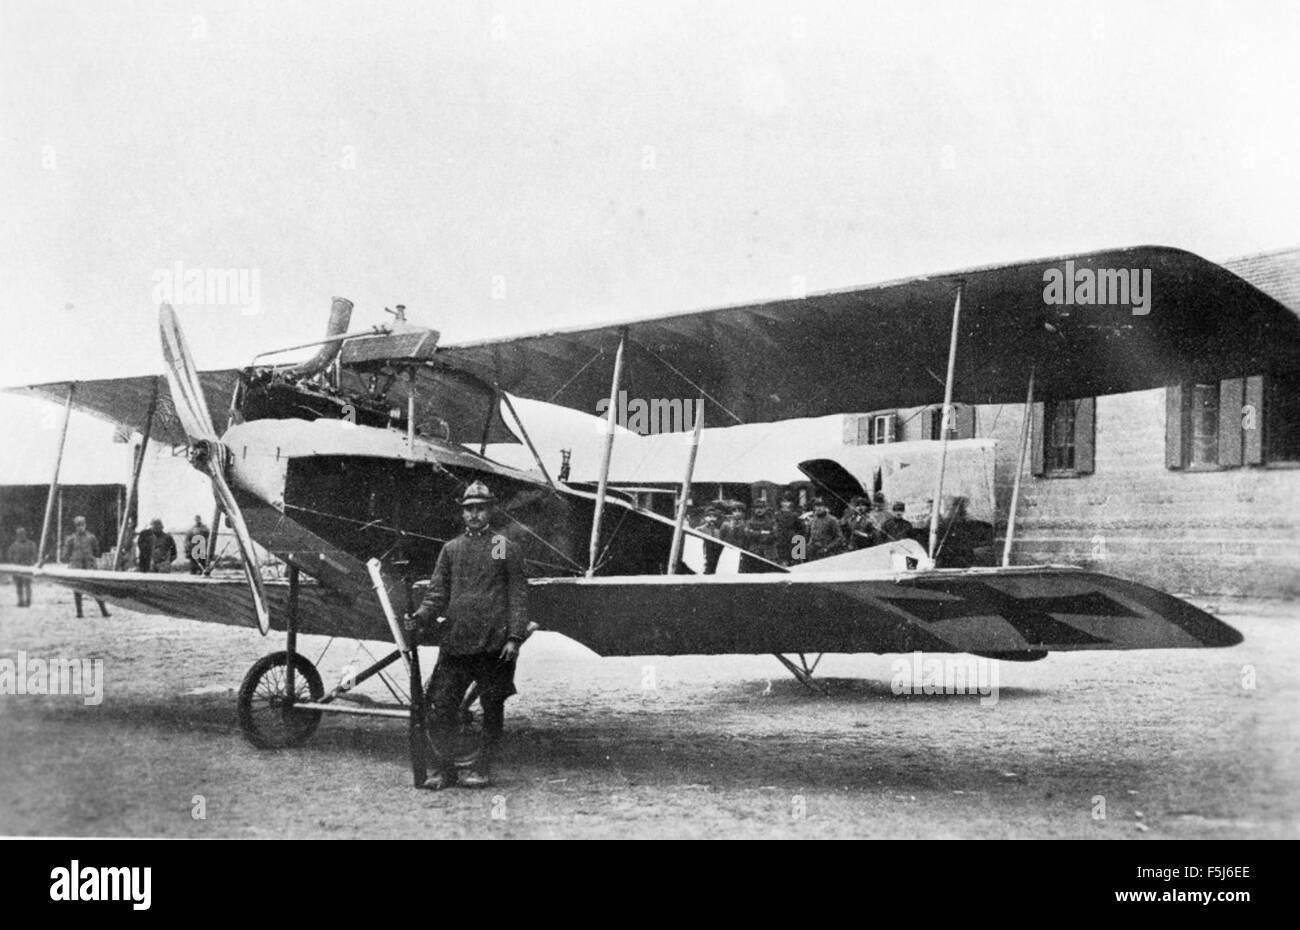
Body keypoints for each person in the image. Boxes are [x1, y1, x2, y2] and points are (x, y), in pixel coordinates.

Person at [408, 481, 534, 790]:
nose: (474, 514)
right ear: (463, 513)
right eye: (469, 509)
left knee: (492, 706)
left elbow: (518, 594)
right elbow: (436, 593)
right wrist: (421, 616)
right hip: (457, 641)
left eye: (480, 508)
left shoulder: (501, 545)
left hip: (494, 644)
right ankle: (444, 769)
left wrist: (514, 637)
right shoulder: (451, 549)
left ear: (490, 509)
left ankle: (482, 767)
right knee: (441, 707)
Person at [62, 516, 110, 618]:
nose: (80, 527)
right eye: (78, 525)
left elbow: (97, 552)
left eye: (82, 524)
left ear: (85, 525)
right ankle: (79, 612)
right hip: (76, 568)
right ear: (75, 527)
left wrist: (93, 558)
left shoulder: (91, 537)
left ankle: (104, 611)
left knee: (96, 589)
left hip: (90, 567)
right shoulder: (71, 539)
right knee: (77, 590)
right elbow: (65, 555)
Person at [6, 527, 37, 607]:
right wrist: (13, 562)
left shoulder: (31, 544)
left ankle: (28, 600)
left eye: (23, 534)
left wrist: (31, 563)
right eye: (19, 534)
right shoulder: (13, 545)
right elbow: (9, 555)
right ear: (17, 535)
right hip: (17, 568)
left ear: (25, 534)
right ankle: (20, 601)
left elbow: (34, 555)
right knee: (18, 585)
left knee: (27, 585)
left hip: (27, 567)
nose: (21, 535)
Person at [773, 496, 805, 565]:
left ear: (790, 503)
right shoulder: (777, 515)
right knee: (782, 560)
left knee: (795, 560)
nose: (785, 504)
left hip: (792, 540)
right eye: (783, 502)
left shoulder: (794, 515)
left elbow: (801, 529)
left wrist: (795, 536)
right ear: (781, 503)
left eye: (787, 502)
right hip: (781, 540)